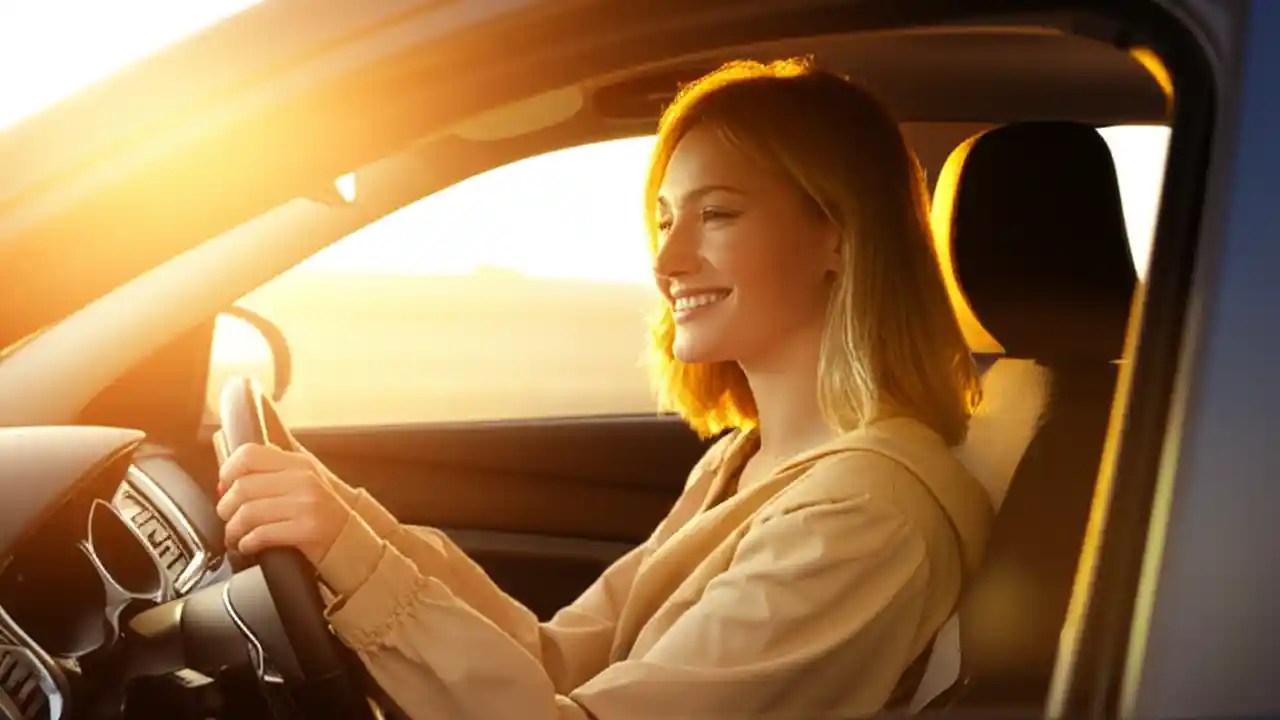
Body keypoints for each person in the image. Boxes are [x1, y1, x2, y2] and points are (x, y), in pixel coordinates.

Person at [216, 57, 993, 719]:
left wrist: (349, 555)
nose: (669, 261)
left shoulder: (863, 518)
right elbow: (554, 659)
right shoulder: (749, 462)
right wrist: (346, 525)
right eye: (664, 222)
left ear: (839, 235)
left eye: (717, 214)